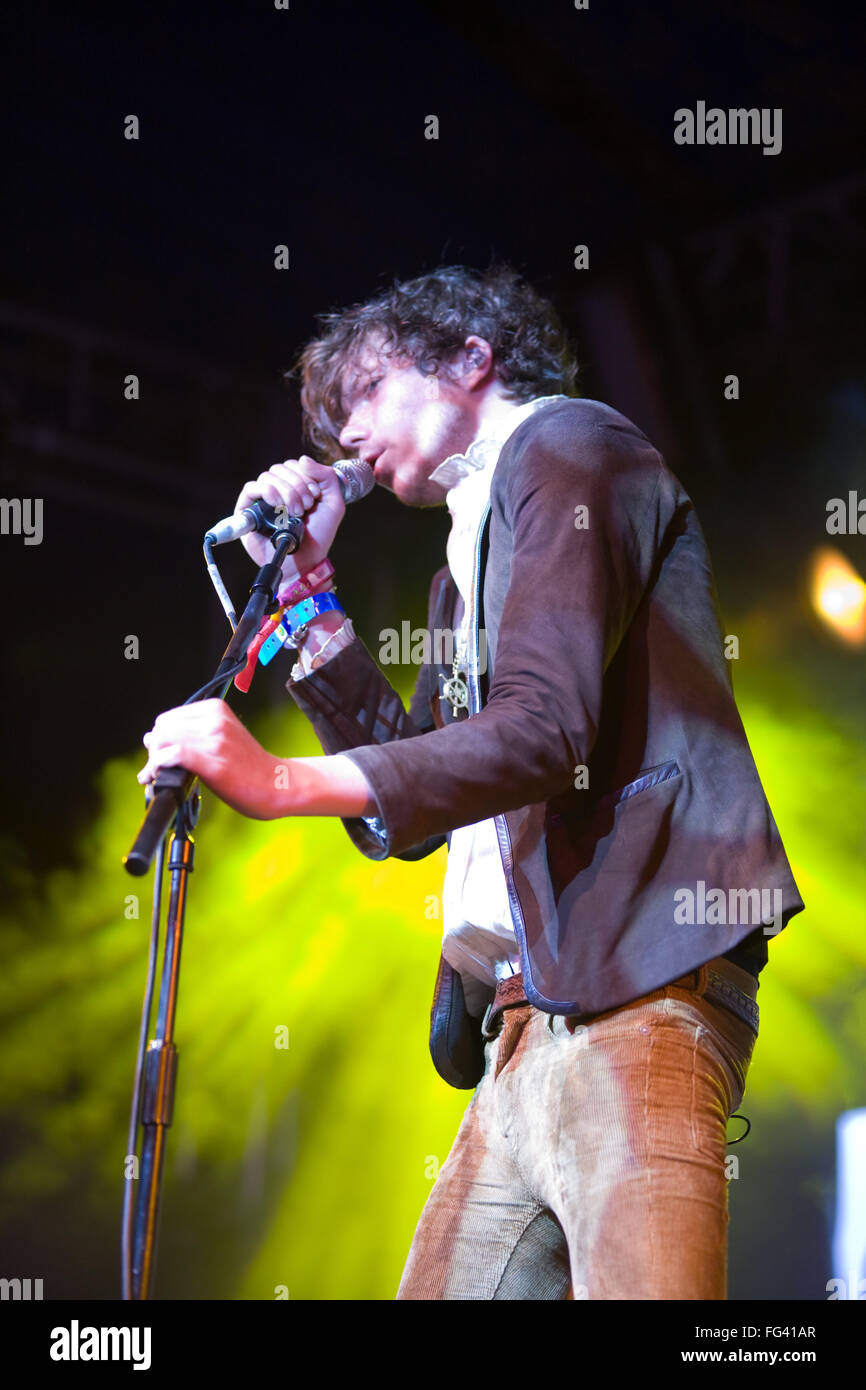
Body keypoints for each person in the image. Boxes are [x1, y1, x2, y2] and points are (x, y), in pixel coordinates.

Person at [138, 264, 804, 1299]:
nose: (341, 439)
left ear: (468, 359)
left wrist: (277, 780)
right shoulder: (464, 569)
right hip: (519, 1028)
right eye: (328, 423)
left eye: (363, 392)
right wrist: (307, 597)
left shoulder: (572, 448)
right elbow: (425, 803)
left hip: (637, 995)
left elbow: (545, 730)